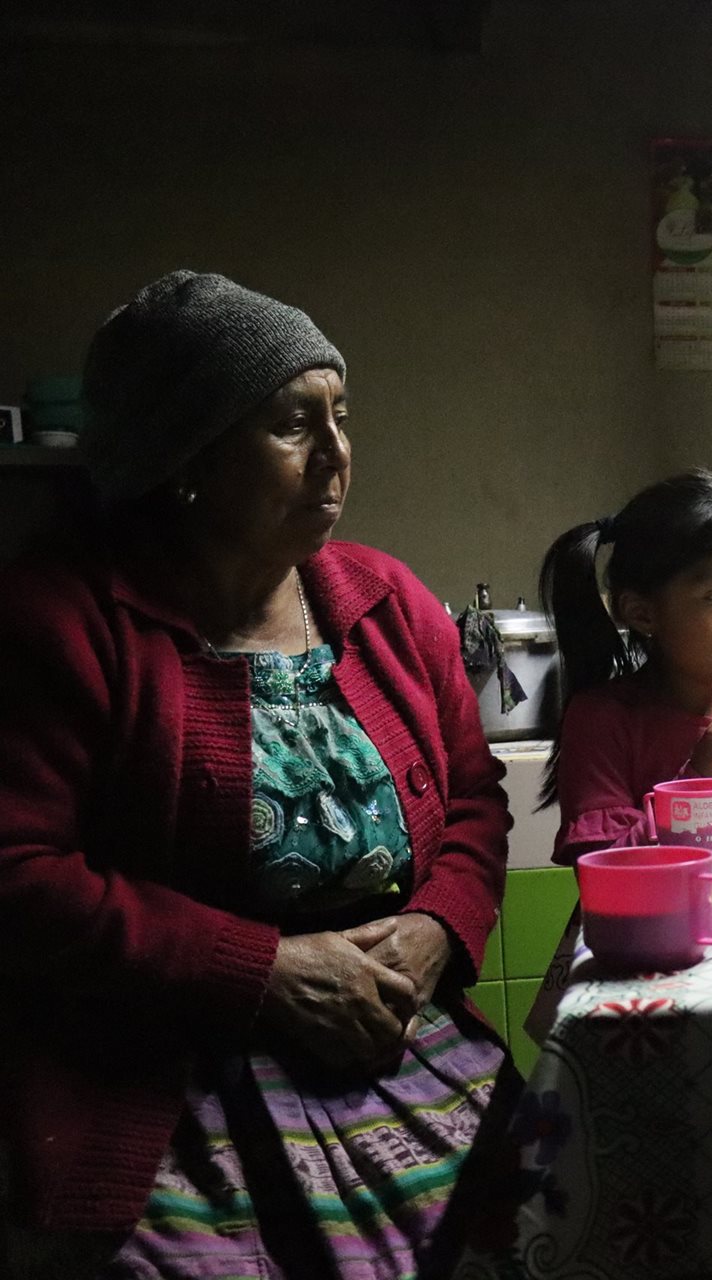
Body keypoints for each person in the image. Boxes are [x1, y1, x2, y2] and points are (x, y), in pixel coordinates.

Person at [0, 271, 513, 1277]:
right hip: (169, 1099)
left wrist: (435, 929)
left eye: (341, 414)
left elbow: (473, 805)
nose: (337, 453)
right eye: (291, 423)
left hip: (399, 1053)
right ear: (185, 456)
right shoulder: (62, 621)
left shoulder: (388, 605)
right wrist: (265, 972)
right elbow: (17, 872)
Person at [541, 469, 712, 862]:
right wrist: (703, 784)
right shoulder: (603, 722)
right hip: (656, 926)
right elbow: (604, 870)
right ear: (643, 613)